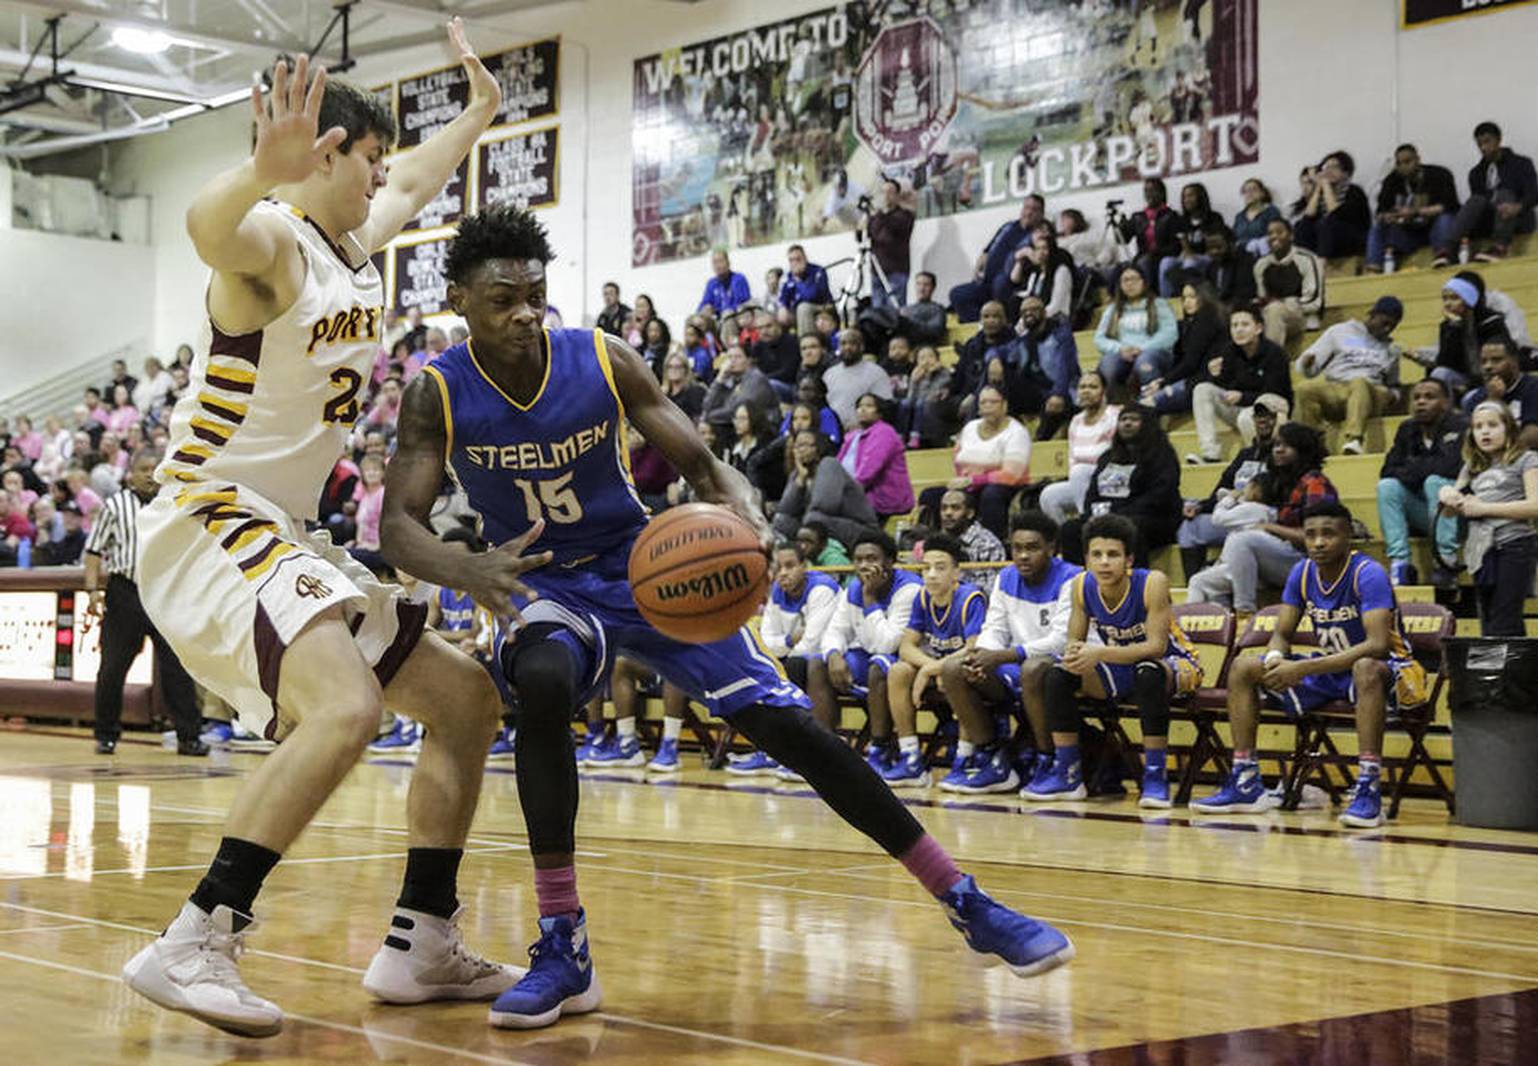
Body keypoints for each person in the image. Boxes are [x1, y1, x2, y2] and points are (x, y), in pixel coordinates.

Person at [383, 207, 1073, 1028]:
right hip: (538, 584)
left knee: (793, 731)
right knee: (537, 679)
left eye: (537, 294)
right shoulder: (437, 390)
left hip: (647, 569)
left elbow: (709, 469)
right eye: (504, 299)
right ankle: (563, 942)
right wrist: (468, 569)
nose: (527, 312)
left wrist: (744, 518)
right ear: (460, 299)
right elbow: (397, 524)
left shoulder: (603, 357)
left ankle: (966, 900)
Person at [120, 34, 524, 1039]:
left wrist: (480, 110)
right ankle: (193, 937)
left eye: (387, 157)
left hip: (280, 528)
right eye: (368, 154)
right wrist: (262, 166)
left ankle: (421, 942)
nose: (386, 170)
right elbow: (205, 226)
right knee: (342, 709)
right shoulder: (268, 245)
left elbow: (422, 179)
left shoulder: (358, 244)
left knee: (465, 701)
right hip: (206, 514)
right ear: (323, 154)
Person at [1191, 500, 1423, 829]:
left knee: (1366, 668)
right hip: (1332, 670)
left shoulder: (1368, 573)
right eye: (1310, 534)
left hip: (1391, 671)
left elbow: (1378, 645)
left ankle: (1369, 788)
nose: (1317, 542)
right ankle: (1246, 781)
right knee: (1244, 667)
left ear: (1348, 536)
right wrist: (1275, 660)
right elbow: (1282, 633)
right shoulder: (1302, 572)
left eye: (1328, 534)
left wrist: (1300, 670)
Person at [1038, 514, 1201, 806]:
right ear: (1086, 559)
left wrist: (1097, 653)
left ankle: (1155, 776)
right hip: (1125, 664)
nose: (1104, 562)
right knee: (1058, 675)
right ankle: (1068, 773)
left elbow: (1155, 647)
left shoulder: (1153, 582)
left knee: (1148, 672)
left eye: (1113, 555)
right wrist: (1075, 656)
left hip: (1176, 664)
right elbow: (1073, 643)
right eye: (1096, 555)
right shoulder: (1079, 586)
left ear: (1129, 559)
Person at [940, 511, 1080, 794]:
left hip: (1061, 668)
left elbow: (1061, 641)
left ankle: (1048, 759)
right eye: (1017, 548)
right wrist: (981, 656)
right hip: (1015, 664)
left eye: (1032, 548)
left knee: (1034, 669)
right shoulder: (1006, 577)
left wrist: (1002, 656)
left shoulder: (1073, 578)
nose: (1023, 556)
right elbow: (994, 630)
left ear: (1051, 548)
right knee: (954, 669)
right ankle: (994, 759)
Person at [84, 449, 206, 757]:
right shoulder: (114, 505)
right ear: (131, 473)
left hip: (166, 592)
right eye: (143, 468)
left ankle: (189, 736)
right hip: (125, 591)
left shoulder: (174, 504)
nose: (150, 474)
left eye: (155, 468)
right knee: (113, 667)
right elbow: (94, 551)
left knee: (177, 667)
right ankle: (106, 734)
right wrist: (92, 591)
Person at [1187, 422, 1339, 616]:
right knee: (1201, 581)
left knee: (1243, 539)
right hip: (1273, 559)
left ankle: (1244, 611)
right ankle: (1208, 630)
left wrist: (1269, 528)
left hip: (1308, 563)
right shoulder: (1279, 482)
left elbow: (1318, 540)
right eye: (1276, 445)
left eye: (1286, 446)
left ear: (1302, 450)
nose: (1278, 450)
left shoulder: (1315, 483)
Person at [812, 531, 923, 766]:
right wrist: (833, 655)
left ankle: (879, 747)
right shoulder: (854, 587)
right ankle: (826, 750)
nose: (864, 566)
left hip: (905, 662)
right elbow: (835, 631)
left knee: (879, 665)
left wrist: (870, 598)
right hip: (869, 656)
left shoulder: (910, 589)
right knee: (817, 663)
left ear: (890, 561)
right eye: (859, 560)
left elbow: (888, 644)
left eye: (872, 559)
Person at [883, 534, 985, 787]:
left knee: (955, 673)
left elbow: (974, 649)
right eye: (926, 568)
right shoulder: (922, 597)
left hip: (971, 668)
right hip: (938, 667)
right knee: (898, 671)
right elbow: (906, 646)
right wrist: (930, 667)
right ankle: (911, 759)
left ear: (956, 573)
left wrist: (933, 669)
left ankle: (965, 759)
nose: (931, 575)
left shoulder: (971, 598)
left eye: (940, 568)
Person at [1440, 401, 1538, 637]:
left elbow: (1537, 507)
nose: (1485, 431)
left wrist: (1485, 508)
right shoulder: (1473, 466)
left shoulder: (1527, 460)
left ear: (1508, 428)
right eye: (1478, 427)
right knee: (1488, 621)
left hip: (1513, 546)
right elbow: (1451, 510)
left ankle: (1503, 673)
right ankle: (1512, 671)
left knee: (1505, 620)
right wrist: (1447, 496)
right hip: (1481, 551)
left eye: (1492, 425)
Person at [1058, 406, 1181, 568]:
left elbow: (1161, 495)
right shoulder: (1108, 456)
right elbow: (1092, 493)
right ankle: (1081, 583)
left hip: (1152, 518)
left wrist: (1118, 515)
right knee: (1071, 529)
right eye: (1123, 419)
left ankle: (1135, 584)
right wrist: (1092, 514)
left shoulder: (1162, 454)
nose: (1127, 423)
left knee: (1131, 528)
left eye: (1134, 419)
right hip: (1109, 516)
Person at [1377, 378, 1467, 589]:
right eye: (1416, 397)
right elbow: (1387, 470)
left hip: (1461, 514)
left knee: (1436, 482)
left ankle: (1446, 560)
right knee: (1387, 487)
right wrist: (1425, 468)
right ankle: (1400, 564)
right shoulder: (1407, 429)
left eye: (1429, 397)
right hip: (1427, 513)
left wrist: (1413, 469)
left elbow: (1450, 468)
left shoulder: (1461, 426)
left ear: (1445, 402)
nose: (1421, 402)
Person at [1176, 403, 1280, 579]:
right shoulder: (1245, 454)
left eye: (1269, 416)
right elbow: (1222, 486)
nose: (1264, 421)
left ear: (1278, 420)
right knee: (1190, 527)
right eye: (1259, 416)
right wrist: (1200, 506)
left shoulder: (1283, 455)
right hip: (1232, 514)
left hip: (1260, 519)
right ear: (1253, 420)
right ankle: (1193, 582)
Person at [1292, 296, 1406, 456]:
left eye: (1392, 326)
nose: (1387, 329)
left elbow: (1395, 385)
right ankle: (1313, 445)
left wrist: (1392, 396)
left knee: (1359, 382)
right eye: (1384, 323)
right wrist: (1307, 364)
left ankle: (1354, 439)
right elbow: (1308, 369)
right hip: (1338, 389)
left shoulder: (1391, 349)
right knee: (1305, 389)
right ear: (1372, 315)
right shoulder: (1340, 331)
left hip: (1371, 393)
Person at [1187, 304, 1292, 464]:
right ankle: (1211, 454)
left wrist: (1242, 397)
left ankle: (1259, 458)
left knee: (1247, 417)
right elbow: (1227, 385)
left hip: (1275, 408)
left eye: (1244, 325)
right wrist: (1214, 376)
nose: (1238, 330)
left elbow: (1274, 391)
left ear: (1258, 328)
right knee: (1202, 389)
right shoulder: (1229, 351)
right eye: (1234, 325)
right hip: (1243, 407)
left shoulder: (1274, 353)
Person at [934, 386, 1033, 539]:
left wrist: (974, 480)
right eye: (983, 402)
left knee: (991, 494)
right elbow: (958, 458)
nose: (987, 406)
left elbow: (1011, 475)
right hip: (970, 484)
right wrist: (962, 479)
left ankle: (993, 542)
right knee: (933, 495)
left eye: (992, 402)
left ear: (1004, 405)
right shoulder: (970, 427)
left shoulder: (1017, 432)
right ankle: (940, 544)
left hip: (1005, 487)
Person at [755, 541, 843, 695]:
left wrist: (780, 648)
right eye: (778, 568)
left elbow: (811, 644)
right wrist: (789, 640)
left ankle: (797, 717)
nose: (782, 573)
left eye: (790, 566)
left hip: (831, 655)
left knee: (794, 665)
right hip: (791, 654)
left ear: (804, 566)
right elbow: (766, 642)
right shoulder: (777, 590)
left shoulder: (822, 589)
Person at [772, 428, 880, 546]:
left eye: (805, 445)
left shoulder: (829, 465)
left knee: (814, 519)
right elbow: (784, 511)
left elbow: (825, 505)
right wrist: (800, 480)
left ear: (818, 448)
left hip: (861, 530)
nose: (800, 450)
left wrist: (804, 518)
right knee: (781, 521)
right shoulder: (797, 474)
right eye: (797, 446)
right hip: (820, 526)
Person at [1452, 121, 1538, 263]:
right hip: (1489, 221)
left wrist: (1517, 207)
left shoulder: (1521, 163)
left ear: (1499, 140)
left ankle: (1500, 246)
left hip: (1518, 216)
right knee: (1475, 200)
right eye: (1480, 144)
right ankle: (1450, 247)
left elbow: (1534, 197)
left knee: (1504, 194)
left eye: (1487, 142)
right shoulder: (1476, 173)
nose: (1484, 147)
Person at [1039, 370, 1120, 522]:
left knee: (1079, 471)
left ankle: (1088, 522)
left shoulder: (1114, 416)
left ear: (1103, 391)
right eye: (1082, 387)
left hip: (1112, 480)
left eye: (1093, 387)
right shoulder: (1076, 421)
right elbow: (1072, 460)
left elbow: (1117, 457)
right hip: (1082, 482)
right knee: (1048, 495)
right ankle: (1068, 536)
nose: (1086, 391)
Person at [949, 193, 1045, 322]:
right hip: (986, 283)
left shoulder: (1040, 234)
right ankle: (983, 326)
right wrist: (978, 268)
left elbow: (1041, 259)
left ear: (1041, 214)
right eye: (1027, 207)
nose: (1029, 212)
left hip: (1010, 287)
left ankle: (998, 327)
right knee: (957, 294)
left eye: (1034, 209)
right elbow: (986, 251)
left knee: (1001, 284)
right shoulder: (1008, 227)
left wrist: (1027, 253)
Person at [1461, 339, 1538, 450]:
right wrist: (1492, 401)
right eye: (1483, 361)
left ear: (1514, 361)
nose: (1488, 366)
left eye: (1496, 360)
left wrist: (1501, 453)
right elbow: (1469, 440)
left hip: (1534, 456)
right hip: (1491, 459)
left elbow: (1536, 439)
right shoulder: (1478, 398)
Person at [1366, 144, 1459, 271]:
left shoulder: (1439, 175)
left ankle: (1443, 256)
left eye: (1407, 161)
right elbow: (1381, 212)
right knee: (1377, 228)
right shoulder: (1391, 181)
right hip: (1409, 233)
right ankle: (1373, 267)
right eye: (1399, 163)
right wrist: (1389, 216)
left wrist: (1416, 212)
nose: (1403, 167)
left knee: (1446, 219)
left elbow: (1450, 206)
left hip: (1434, 229)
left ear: (1418, 159)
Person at [1142, 280, 1228, 415]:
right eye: (1184, 298)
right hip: (1194, 379)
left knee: (1143, 404)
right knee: (1144, 399)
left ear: (1205, 296)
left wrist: (1163, 382)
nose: (1187, 302)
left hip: (1204, 381)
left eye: (1192, 297)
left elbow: (1190, 363)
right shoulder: (1190, 322)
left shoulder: (1207, 319)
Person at [1093, 266, 1178, 396]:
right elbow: (1099, 339)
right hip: (1122, 353)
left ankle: (1152, 403)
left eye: (1134, 279)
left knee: (1144, 362)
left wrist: (1142, 349)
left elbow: (1169, 333)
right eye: (1125, 280)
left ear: (1143, 282)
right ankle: (1115, 407)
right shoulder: (1112, 309)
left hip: (1155, 352)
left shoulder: (1159, 304)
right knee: (1108, 364)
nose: (1129, 284)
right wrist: (1120, 349)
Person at [839, 394, 914, 523]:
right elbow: (837, 463)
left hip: (881, 500)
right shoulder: (852, 436)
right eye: (860, 406)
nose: (862, 410)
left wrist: (848, 492)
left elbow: (869, 470)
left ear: (880, 412)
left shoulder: (884, 432)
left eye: (869, 406)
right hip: (855, 494)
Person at [1253, 217, 1324, 348]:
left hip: (1302, 315)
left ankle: (1270, 361)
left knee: (1275, 310)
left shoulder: (1307, 259)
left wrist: (1286, 303)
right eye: (1270, 234)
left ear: (1291, 236)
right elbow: (1262, 297)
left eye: (1279, 232)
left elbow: (1315, 300)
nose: (1274, 236)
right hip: (1271, 315)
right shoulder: (1261, 264)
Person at [1011, 294, 1079, 432]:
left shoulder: (1061, 334)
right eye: (1024, 311)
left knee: (1056, 406)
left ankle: (1040, 441)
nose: (1028, 313)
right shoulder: (1022, 341)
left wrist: (1058, 394)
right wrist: (993, 357)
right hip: (1038, 393)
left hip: (1064, 391)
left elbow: (1065, 368)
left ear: (1045, 312)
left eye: (1034, 309)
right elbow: (1002, 352)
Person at [1292, 151, 1370, 260]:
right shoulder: (1324, 191)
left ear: (1346, 173)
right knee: (1301, 226)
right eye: (1326, 167)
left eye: (1335, 167)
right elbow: (1308, 216)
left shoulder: (1353, 191)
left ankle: (1322, 264)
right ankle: (1303, 264)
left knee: (1326, 222)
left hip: (1352, 236)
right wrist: (1319, 188)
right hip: (1327, 237)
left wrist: (1324, 184)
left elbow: (1337, 213)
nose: (1329, 171)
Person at [932, 488, 1007, 593]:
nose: (948, 513)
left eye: (955, 508)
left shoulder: (987, 544)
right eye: (944, 508)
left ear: (970, 513)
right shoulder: (938, 541)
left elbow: (993, 590)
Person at [1159, 181, 1225, 296]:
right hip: (1186, 256)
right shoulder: (1181, 220)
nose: (1186, 200)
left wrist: (1192, 254)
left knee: (1190, 262)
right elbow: (1178, 245)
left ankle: (1189, 298)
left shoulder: (1214, 218)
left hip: (1207, 256)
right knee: (1166, 262)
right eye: (1184, 197)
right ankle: (1168, 302)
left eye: (1190, 196)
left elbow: (1216, 243)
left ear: (1200, 197)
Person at [703, 346, 780, 442]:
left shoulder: (756, 379)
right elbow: (707, 405)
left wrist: (709, 416)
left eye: (737, 357)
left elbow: (737, 409)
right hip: (736, 426)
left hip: (763, 430)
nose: (732, 361)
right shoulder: (729, 379)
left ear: (748, 361)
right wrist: (720, 378)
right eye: (729, 357)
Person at [1116, 178, 1182, 289]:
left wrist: (1155, 253)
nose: (1148, 194)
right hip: (1143, 257)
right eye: (1146, 191)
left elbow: (1176, 246)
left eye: (1152, 190)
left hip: (1165, 256)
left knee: (1144, 262)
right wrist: (1121, 226)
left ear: (1161, 193)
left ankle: (1149, 297)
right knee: (1120, 268)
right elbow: (1123, 240)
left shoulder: (1171, 215)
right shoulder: (1138, 217)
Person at [822, 328, 892, 431]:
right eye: (843, 344)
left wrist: (864, 425)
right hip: (833, 432)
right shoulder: (829, 374)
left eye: (852, 343)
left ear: (862, 346)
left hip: (865, 432)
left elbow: (884, 407)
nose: (847, 347)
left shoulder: (876, 373)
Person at [954, 301, 1018, 410]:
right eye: (986, 316)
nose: (991, 320)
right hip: (966, 394)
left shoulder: (1013, 344)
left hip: (996, 397)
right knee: (933, 404)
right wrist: (947, 389)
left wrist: (975, 396)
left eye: (996, 316)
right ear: (981, 320)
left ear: (1004, 320)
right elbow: (959, 372)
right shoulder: (972, 344)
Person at [866, 178, 915, 307]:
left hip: (896, 271)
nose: (886, 196)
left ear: (897, 195)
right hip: (876, 272)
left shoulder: (905, 216)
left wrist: (878, 214)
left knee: (894, 312)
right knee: (877, 314)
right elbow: (863, 237)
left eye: (890, 192)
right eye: (883, 192)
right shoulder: (875, 217)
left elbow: (892, 229)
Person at [1008, 223, 1074, 318]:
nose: (1041, 252)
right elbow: (1029, 292)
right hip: (1035, 317)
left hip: (1054, 317)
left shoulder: (1061, 271)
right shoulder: (1036, 273)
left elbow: (1056, 305)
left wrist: (1035, 317)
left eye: (1045, 248)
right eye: (1037, 249)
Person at [726, 402, 787, 504]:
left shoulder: (766, 446)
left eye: (743, 418)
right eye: (736, 418)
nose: (737, 422)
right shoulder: (733, 447)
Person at [777, 244, 834, 335]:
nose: (795, 263)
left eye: (798, 259)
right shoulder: (787, 277)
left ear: (805, 258)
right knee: (775, 317)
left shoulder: (818, 271)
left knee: (803, 308)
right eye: (791, 260)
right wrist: (782, 307)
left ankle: (805, 342)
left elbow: (811, 296)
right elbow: (782, 298)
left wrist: (798, 280)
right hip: (796, 310)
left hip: (823, 307)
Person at [1232, 177, 1281, 256]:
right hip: (1242, 255)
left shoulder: (1271, 211)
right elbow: (1234, 238)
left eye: (1253, 189)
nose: (1249, 193)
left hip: (1266, 253)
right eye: (1246, 191)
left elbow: (1276, 234)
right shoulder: (1239, 216)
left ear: (1262, 193)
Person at [751, 311, 801, 389]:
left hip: (790, 386)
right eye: (760, 328)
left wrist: (763, 379)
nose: (764, 331)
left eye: (769, 326)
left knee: (771, 385)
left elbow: (789, 373)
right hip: (766, 383)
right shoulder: (757, 347)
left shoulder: (791, 341)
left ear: (778, 326)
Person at [698, 247, 751, 320]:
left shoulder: (739, 279)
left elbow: (741, 304)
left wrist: (716, 310)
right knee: (693, 322)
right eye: (715, 262)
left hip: (735, 317)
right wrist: (704, 310)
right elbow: (704, 303)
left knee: (728, 318)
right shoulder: (711, 283)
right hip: (716, 318)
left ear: (728, 263)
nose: (718, 265)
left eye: (720, 261)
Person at [898, 270, 948, 346]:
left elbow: (935, 331)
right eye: (918, 284)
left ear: (933, 288)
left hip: (923, 347)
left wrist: (907, 321)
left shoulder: (938, 309)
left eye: (926, 285)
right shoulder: (905, 309)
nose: (921, 289)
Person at [661, 351, 706, 421]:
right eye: (670, 367)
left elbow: (698, 418)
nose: (674, 370)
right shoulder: (664, 394)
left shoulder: (696, 391)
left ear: (685, 369)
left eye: (678, 367)